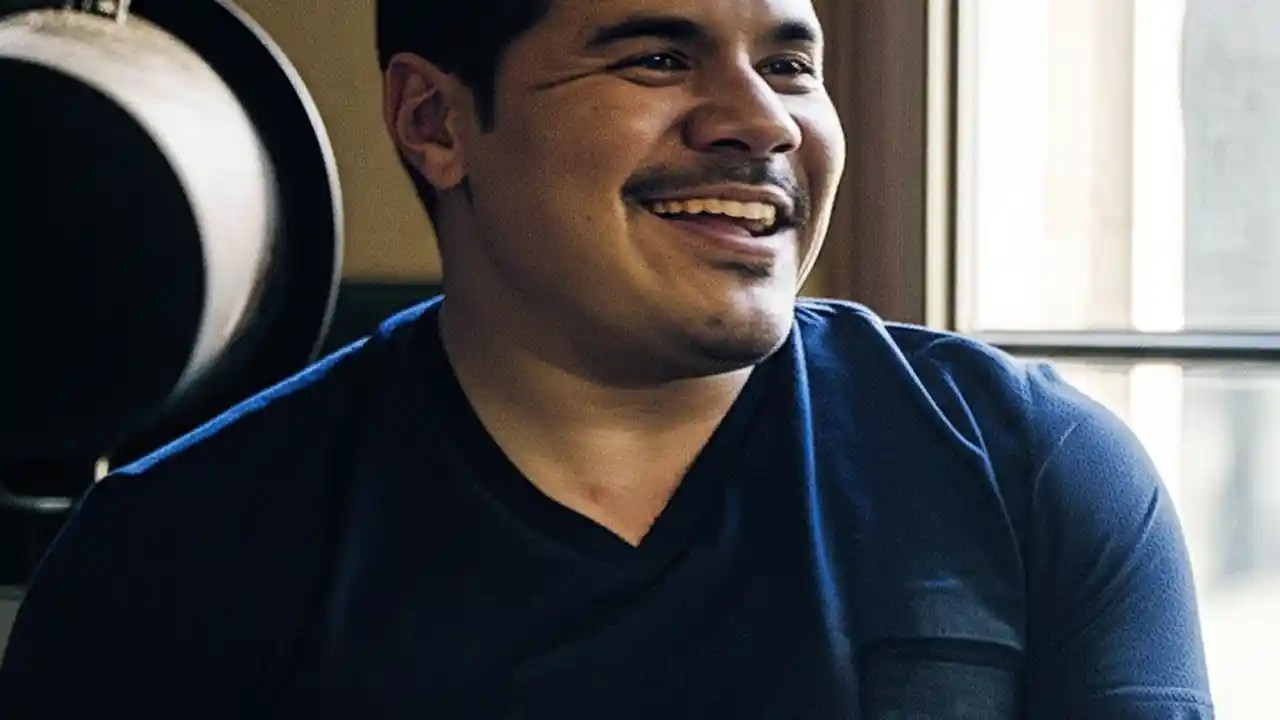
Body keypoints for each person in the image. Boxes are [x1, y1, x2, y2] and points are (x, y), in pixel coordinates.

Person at [0, 0, 1214, 716]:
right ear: (435, 123)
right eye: (655, 57)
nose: (760, 120)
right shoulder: (173, 557)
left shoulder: (1033, 473)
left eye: (789, 64)